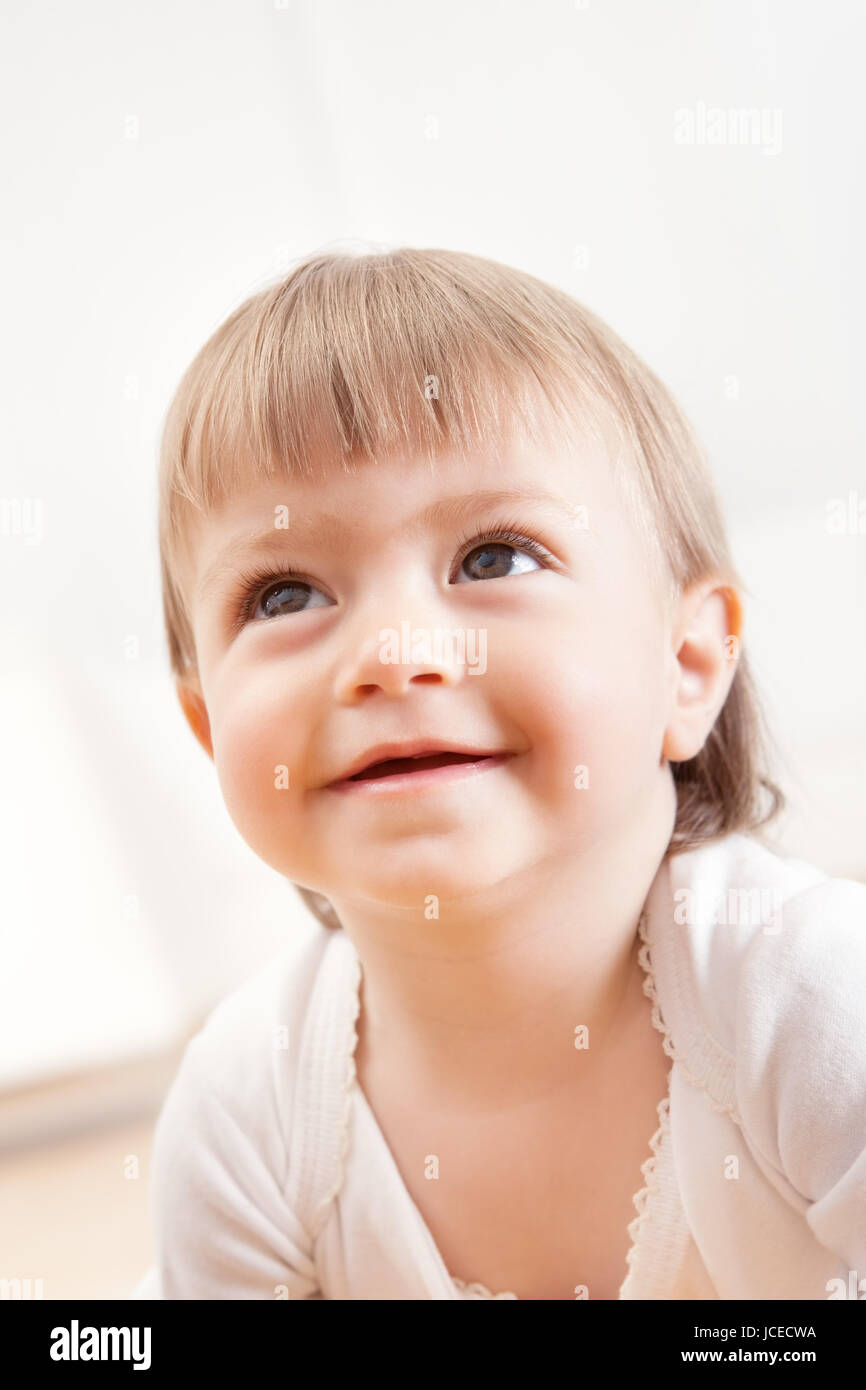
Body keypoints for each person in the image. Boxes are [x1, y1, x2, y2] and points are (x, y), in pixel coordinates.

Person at [133, 247, 866, 1300]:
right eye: (285, 593)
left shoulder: (808, 1004)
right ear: (208, 723)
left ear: (686, 663)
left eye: (492, 558)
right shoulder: (248, 1116)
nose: (394, 651)